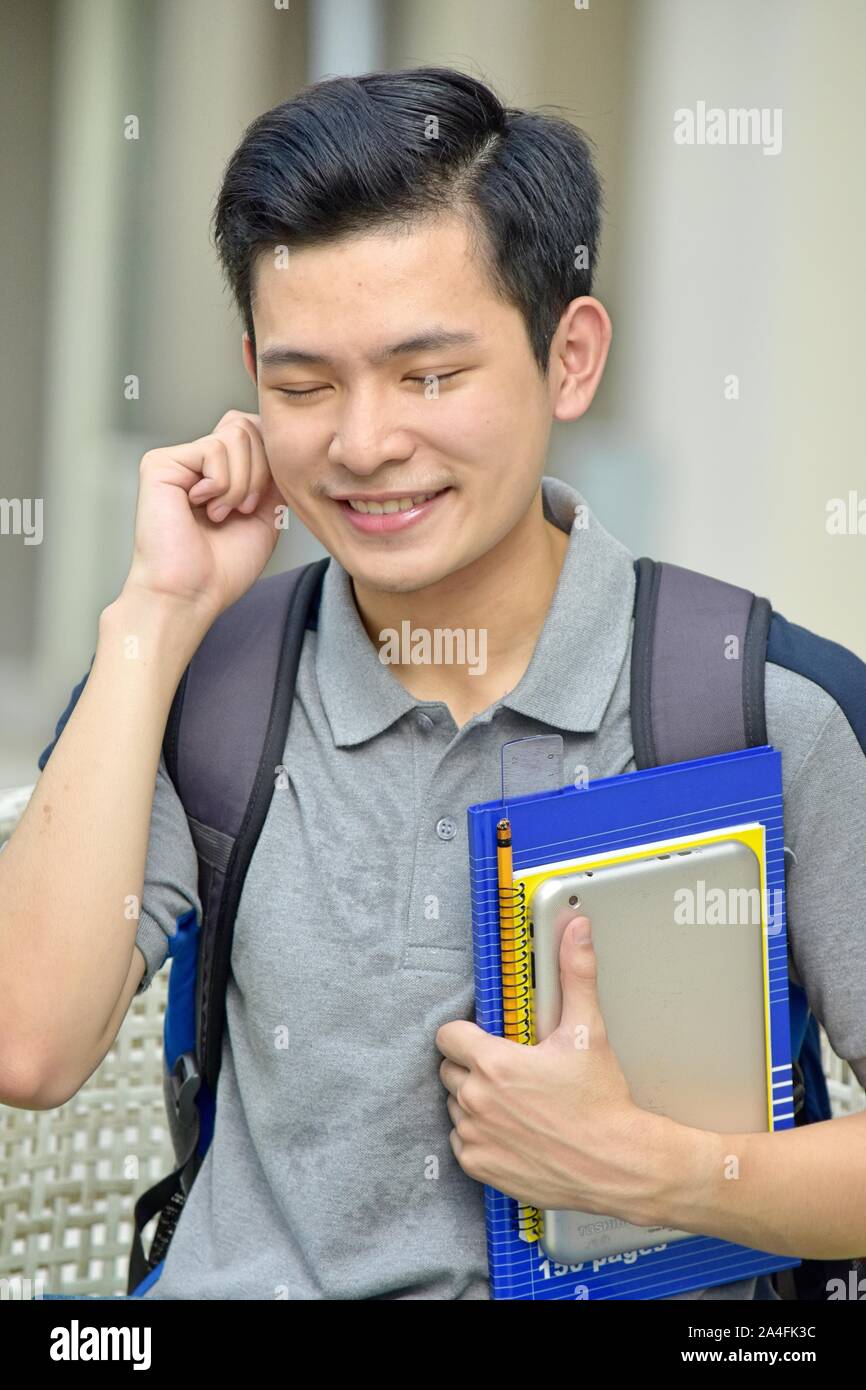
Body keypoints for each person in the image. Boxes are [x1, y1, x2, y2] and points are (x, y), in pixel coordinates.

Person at [3, 67, 865, 1301]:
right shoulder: (202, 685)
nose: (361, 444)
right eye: (303, 386)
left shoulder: (763, 706)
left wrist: (657, 1170)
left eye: (428, 376)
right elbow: (26, 1044)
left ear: (567, 358)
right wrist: (151, 615)